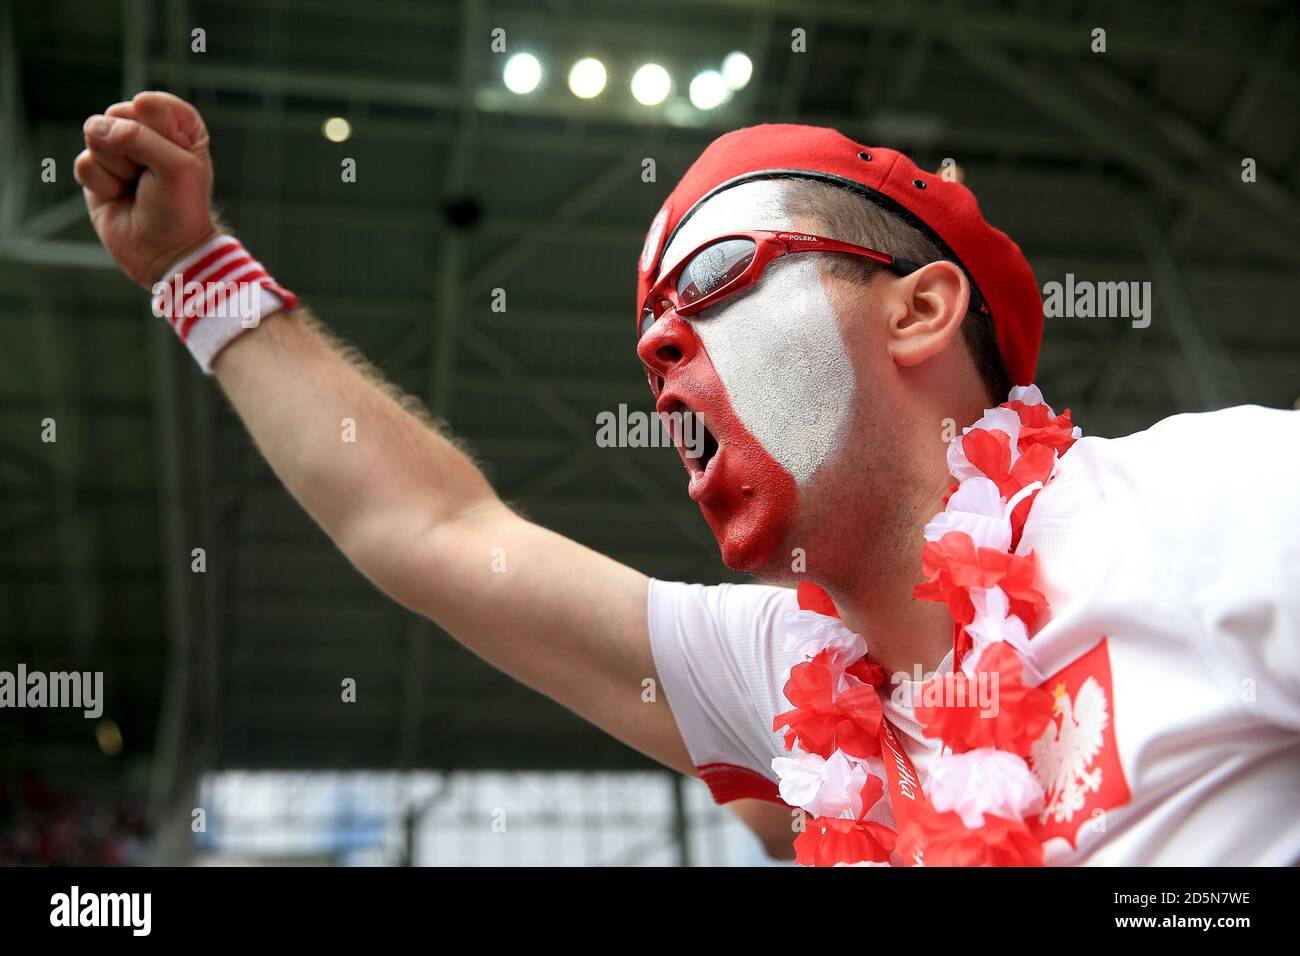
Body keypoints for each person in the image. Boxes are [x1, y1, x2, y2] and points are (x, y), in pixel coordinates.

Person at [77, 91, 1300, 866]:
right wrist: (197, 273)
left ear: (921, 309)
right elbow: (433, 525)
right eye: (649, 330)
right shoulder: (783, 674)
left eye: (716, 275)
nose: (662, 352)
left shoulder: (1208, 497)